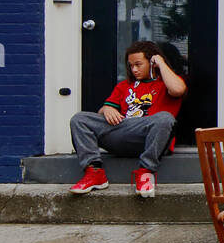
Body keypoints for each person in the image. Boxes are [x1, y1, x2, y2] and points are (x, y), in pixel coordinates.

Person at [69, 40, 187, 198]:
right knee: (80, 119)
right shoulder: (125, 85)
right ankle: (94, 172)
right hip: (123, 133)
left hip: (150, 137)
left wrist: (160, 62)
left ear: (152, 63)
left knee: (165, 118)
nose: (134, 69)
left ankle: (145, 172)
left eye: (138, 64)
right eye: (131, 65)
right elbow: (101, 111)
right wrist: (107, 109)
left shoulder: (165, 83)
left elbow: (178, 89)